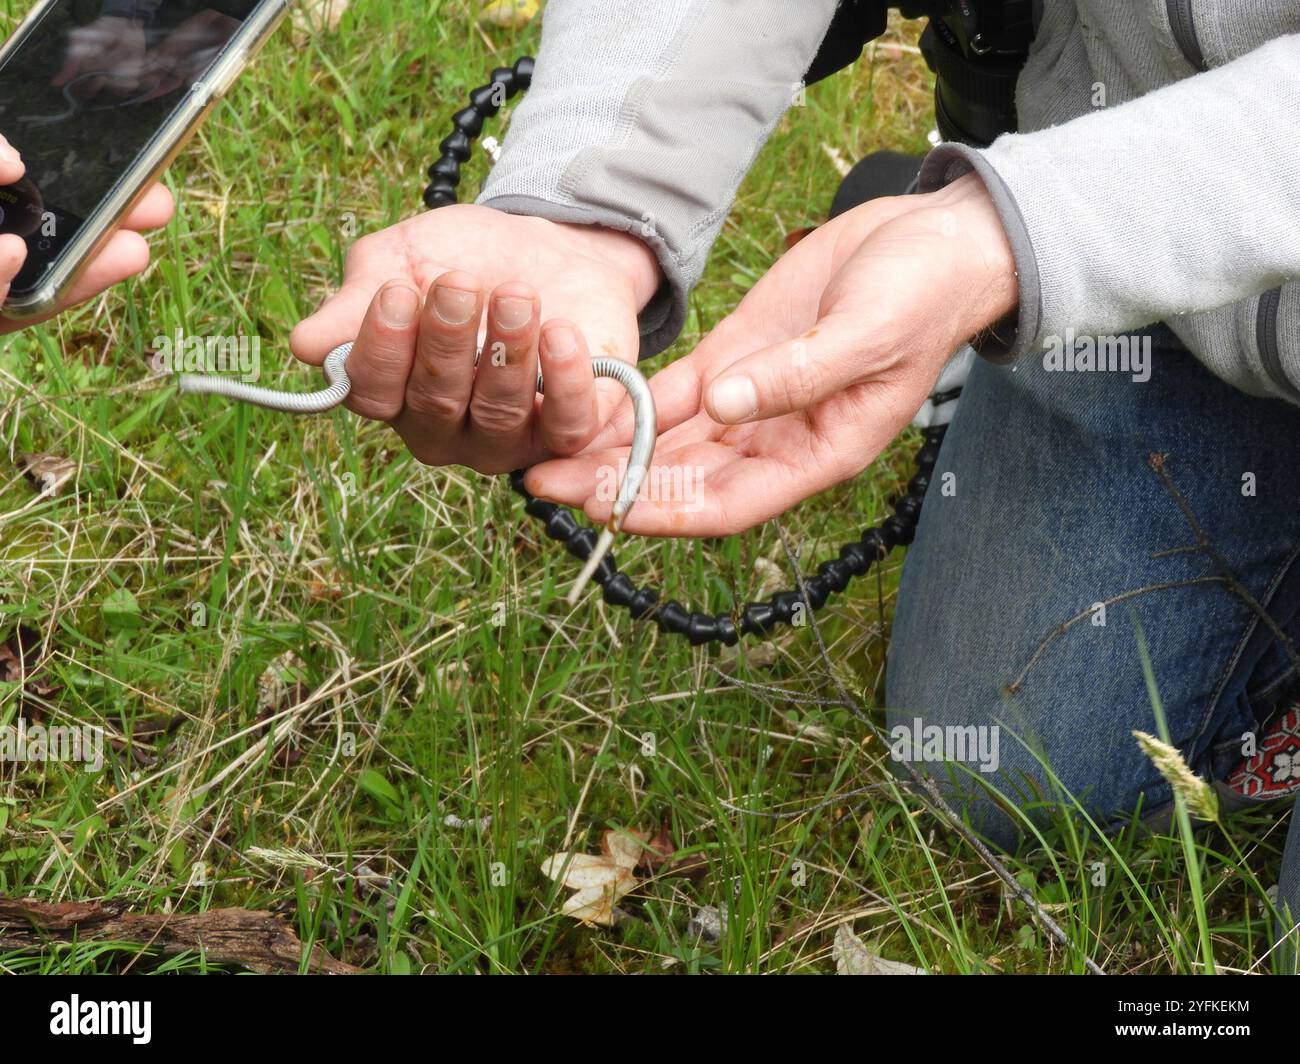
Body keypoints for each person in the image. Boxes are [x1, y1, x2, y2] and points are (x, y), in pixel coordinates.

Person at [289, 1, 1300, 952]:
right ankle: (941, 265)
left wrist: (1020, 230)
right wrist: (596, 204)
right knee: (1004, 767)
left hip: (1093, 210)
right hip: (1139, 260)